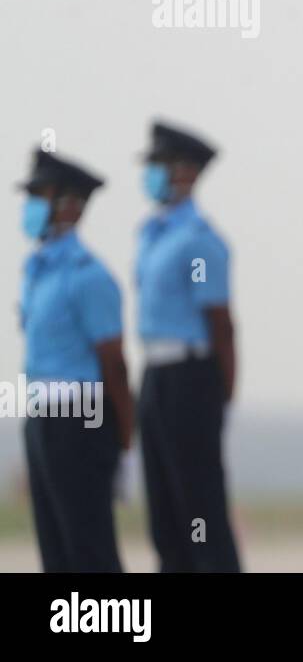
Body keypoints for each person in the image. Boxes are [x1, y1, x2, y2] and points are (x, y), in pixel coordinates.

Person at [19, 149, 132, 572]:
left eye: (39, 195)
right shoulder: (37, 272)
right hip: (42, 417)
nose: (29, 205)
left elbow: (115, 366)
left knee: (90, 548)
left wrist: (125, 445)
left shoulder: (90, 276)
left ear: (68, 204)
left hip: (80, 418)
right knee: (56, 550)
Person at [136, 121, 241, 572]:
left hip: (191, 377)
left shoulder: (199, 240)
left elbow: (221, 326)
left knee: (200, 508)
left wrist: (221, 396)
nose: (153, 174)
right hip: (155, 375)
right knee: (165, 515)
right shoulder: (151, 234)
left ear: (186, 172)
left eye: (161, 165)